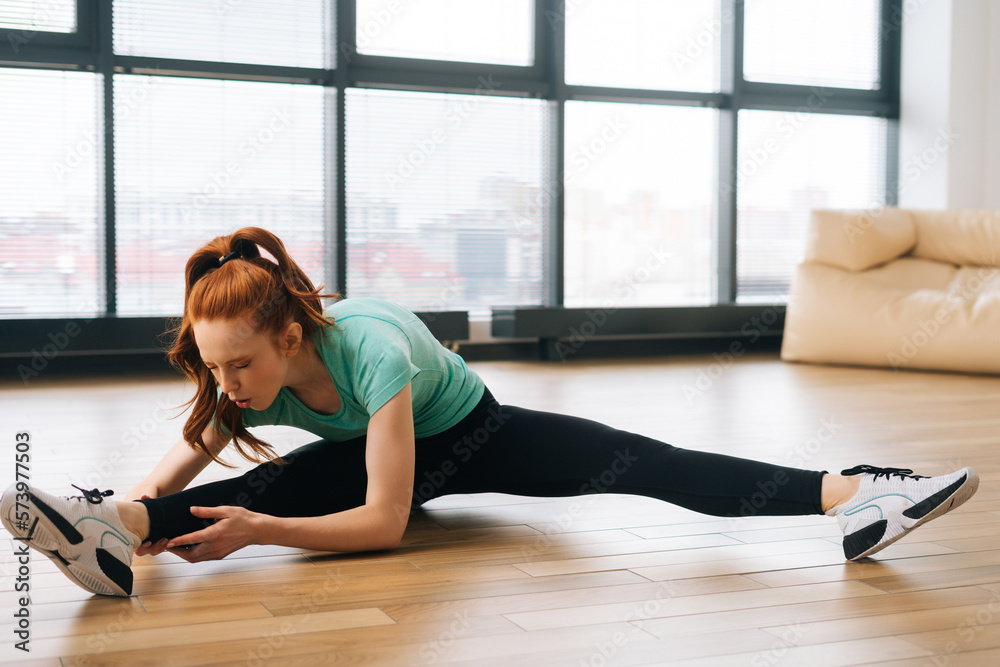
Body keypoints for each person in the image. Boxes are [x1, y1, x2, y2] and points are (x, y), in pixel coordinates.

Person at [1, 227, 980, 597]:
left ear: (292, 337)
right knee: (263, 476)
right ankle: (102, 544)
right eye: (214, 369)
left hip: (473, 435)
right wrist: (127, 515)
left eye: (240, 366)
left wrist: (257, 531)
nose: (228, 387)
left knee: (643, 460)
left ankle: (861, 493)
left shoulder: (371, 348)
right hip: (382, 465)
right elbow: (176, 468)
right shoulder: (240, 372)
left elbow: (385, 523)